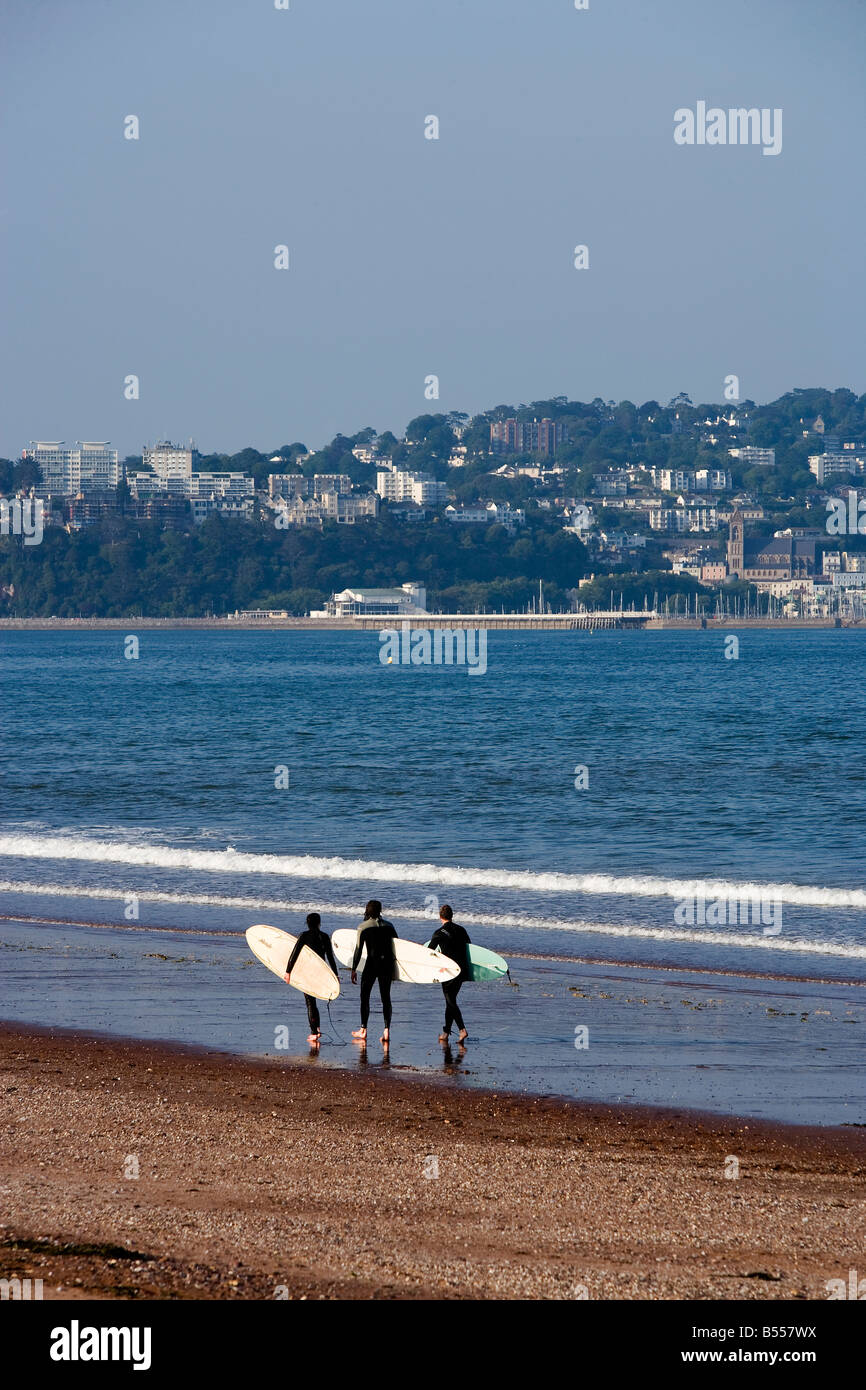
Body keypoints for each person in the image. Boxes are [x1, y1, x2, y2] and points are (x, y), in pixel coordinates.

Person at [284, 912, 339, 1044]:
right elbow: (330, 957)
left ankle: (314, 1032)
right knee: (313, 1003)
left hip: (307, 972)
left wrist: (288, 971)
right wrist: (335, 975)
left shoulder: (304, 936)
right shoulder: (325, 936)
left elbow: (294, 954)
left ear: (307, 923)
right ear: (319, 923)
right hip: (321, 972)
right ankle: (317, 1028)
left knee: (310, 1003)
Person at [350, 899, 397, 1045]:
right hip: (387, 966)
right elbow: (398, 948)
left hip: (371, 965)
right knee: (386, 998)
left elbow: (358, 950)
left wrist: (354, 969)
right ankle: (386, 1030)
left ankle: (363, 1029)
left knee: (365, 996)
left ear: (367, 911)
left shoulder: (363, 927)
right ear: (380, 910)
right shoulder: (389, 926)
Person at [429, 904, 471, 1043]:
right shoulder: (461, 930)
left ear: (440, 916)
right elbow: (470, 948)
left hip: (447, 971)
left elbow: (429, 952)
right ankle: (446, 1032)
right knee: (450, 1001)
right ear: (452, 916)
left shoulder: (439, 932)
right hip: (461, 970)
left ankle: (462, 1030)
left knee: (450, 1001)